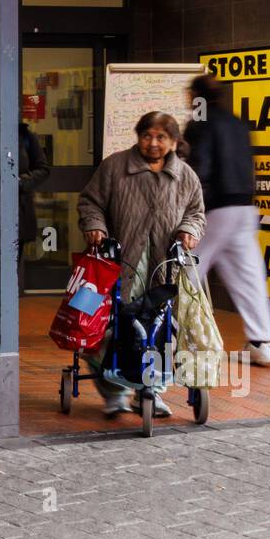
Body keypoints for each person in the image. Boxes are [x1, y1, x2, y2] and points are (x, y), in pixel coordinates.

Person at [77, 111, 206, 418]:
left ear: (174, 141)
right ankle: (114, 389)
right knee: (109, 328)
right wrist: (95, 226)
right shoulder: (114, 166)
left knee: (161, 330)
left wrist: (189, 230)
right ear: (138, 136)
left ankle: (151, 390)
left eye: (161, 137)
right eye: (147, 135)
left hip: (163, 267)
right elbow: (90, 202)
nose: (153, 143)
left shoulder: (185, 175)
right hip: (119, 263)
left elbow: (196, 213)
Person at [183, 73, 270, 366]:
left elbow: (200, 168)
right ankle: (262, 342)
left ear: (196, 96)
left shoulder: (200, 124)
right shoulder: (237, 123)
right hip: (244, 208)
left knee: (185, 269)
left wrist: (189, 206)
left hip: (215, 208)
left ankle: (173, 335)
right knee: (249, 276)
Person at [18, 119, 50, 264]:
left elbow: (43, 169)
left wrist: (21, 182)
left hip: (19, 210)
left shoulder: (26, 136)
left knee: (13, 261)